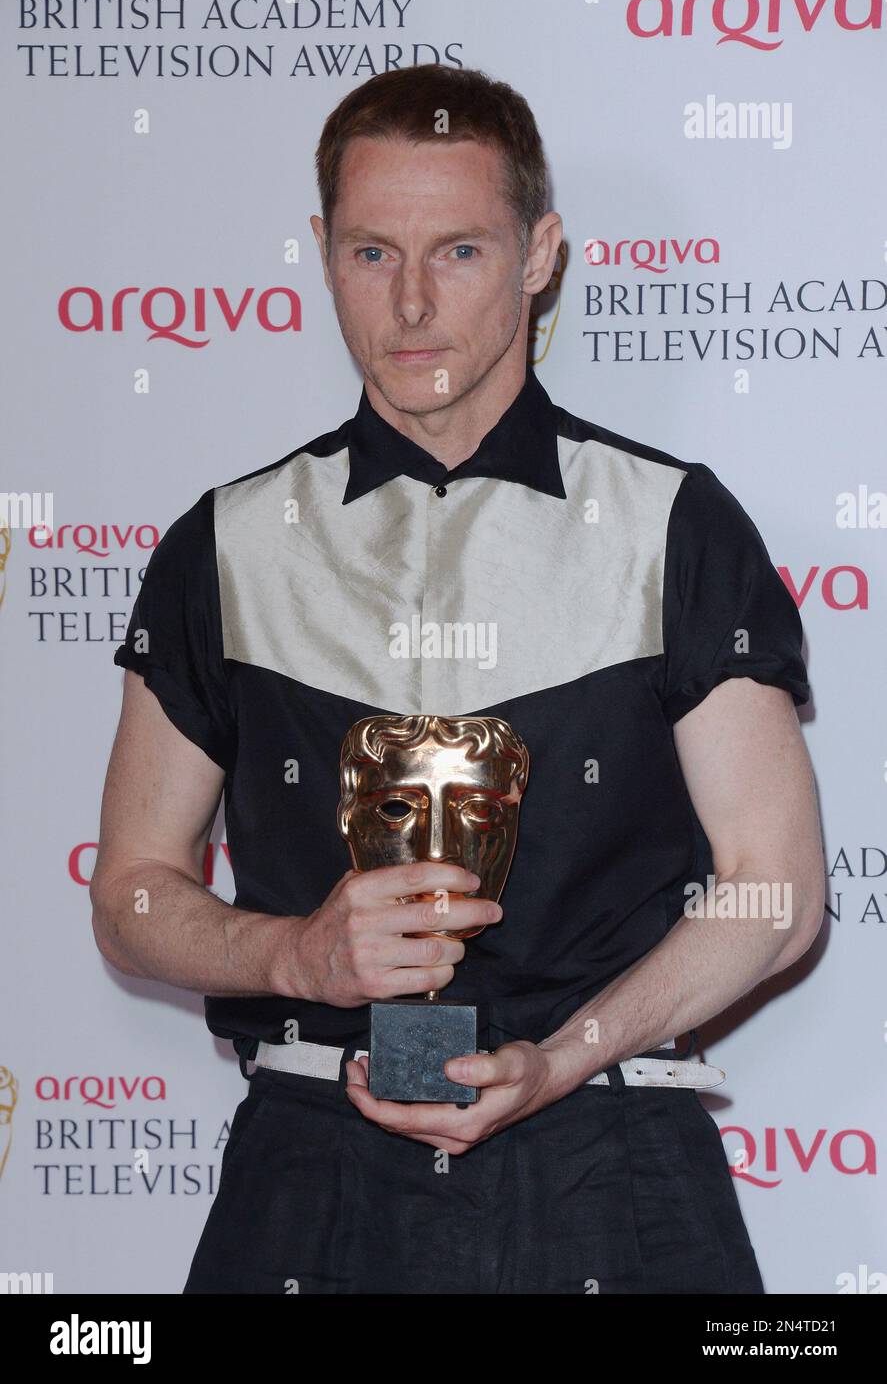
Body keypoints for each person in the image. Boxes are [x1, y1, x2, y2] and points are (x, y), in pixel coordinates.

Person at [90, 64, 825, 1295]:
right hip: (311, 1163)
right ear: (320, 251)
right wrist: (294, 958)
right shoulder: (222, 545)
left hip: (606, 1151)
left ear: (540, 254)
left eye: (462, 250)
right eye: (373, 254)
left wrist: (565, 1055)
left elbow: (777, 895)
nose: (413, 303)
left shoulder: (673, 526)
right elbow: (129, 897)